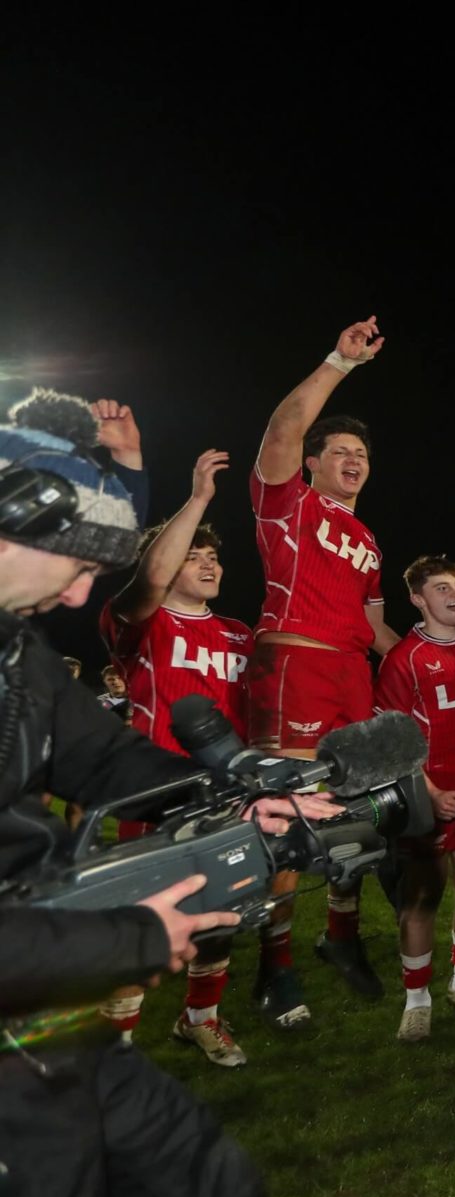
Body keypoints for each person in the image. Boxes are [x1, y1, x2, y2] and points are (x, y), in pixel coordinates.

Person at [0, 388, 391, 1197]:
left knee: (163, 1138)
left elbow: (108, 761)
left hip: (30, 993)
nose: (84, 587)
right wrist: (137, 936)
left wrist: (239, 790)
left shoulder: (13, 652)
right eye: (73, 560)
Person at [247, 317, 402, 1026]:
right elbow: (282, 428)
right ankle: (271, 968)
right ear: (310, 463)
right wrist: (340, 361)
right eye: (338, 450)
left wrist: (428, 663)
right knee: (285, 818)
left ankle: (340, 937)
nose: (353, 459)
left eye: (361, 453)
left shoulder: (367, 536)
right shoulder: (290, 505)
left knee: (354, 814)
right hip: (298, 664)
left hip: (350, 674)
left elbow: (375, 631)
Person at [98, 447, 254, 1067]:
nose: (210, 563)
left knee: (221, 914)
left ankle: (201, 1020)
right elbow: (147, 584)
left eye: (215, 556)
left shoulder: (242, 634)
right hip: (156, 790)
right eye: (196, 554)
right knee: (143, 923)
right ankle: (117, 1049)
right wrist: (197, 503)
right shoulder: (143, 622)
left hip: (225, 796)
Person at [373, 556, 455, 1041]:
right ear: (418, 599)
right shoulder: (404, 659)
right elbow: (390, 739)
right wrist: (428, 793)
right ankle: (417, 1000)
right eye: (442, 588)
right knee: (422, 898)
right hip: (426, 789)